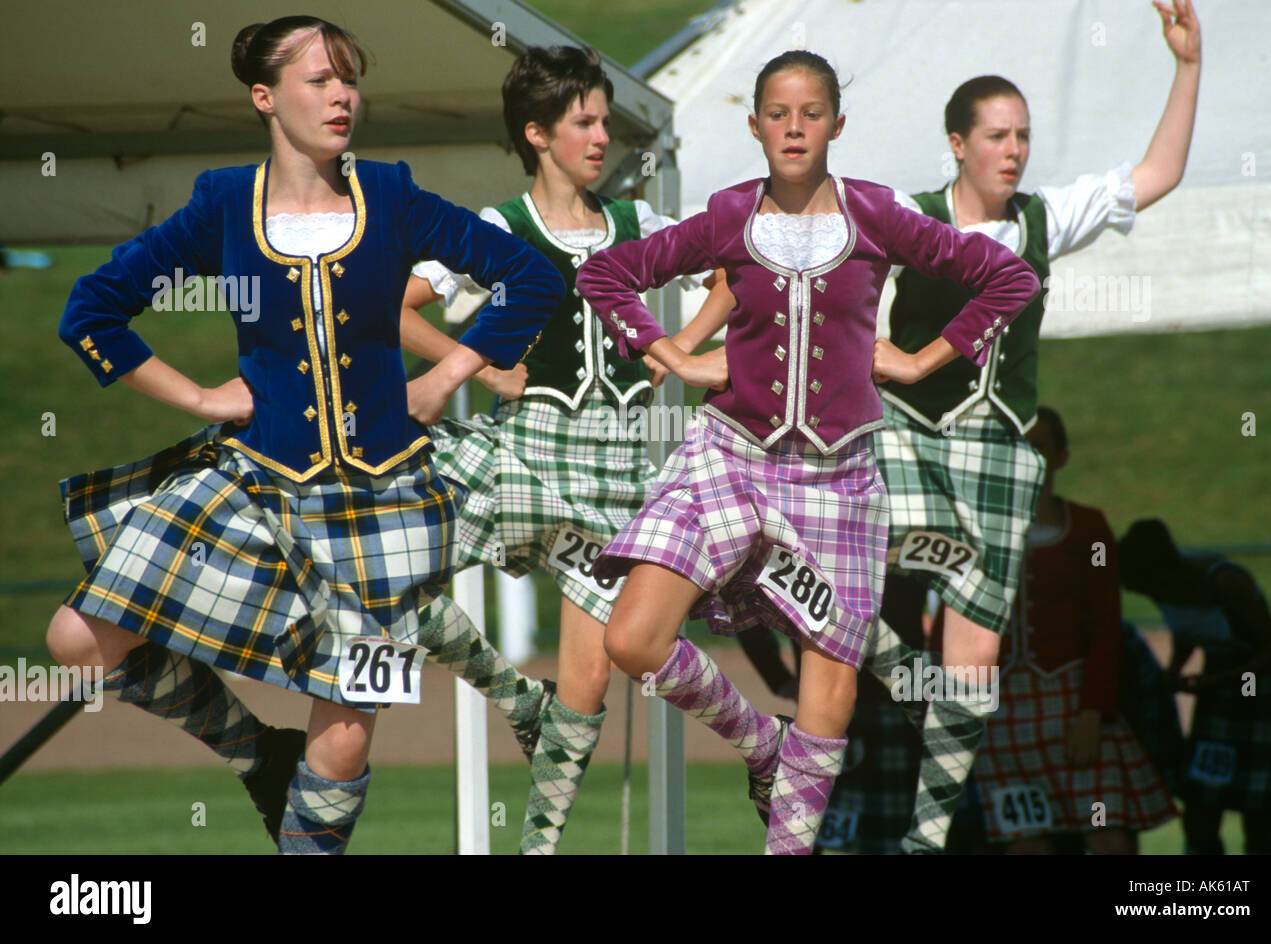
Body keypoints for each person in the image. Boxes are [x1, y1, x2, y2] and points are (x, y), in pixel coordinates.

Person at [47, 16, 562, 854]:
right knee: (77, 639)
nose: (342, 97)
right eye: (320, 80)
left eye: (349, 80)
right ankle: (257, 752)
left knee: (348, 734)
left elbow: (530, 276)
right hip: (256, 481)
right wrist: (198, 398)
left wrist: (444, 374)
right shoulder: (222, 203)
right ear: (265, 97)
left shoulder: (389, 193)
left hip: (385, 500)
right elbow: (93, 309)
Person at [577, 49, 1040, 854]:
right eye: (779, 114)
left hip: (838, 479)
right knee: (631, 639)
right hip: (727, 456)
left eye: (812, 113)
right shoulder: (729, 215)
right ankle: (760, 743)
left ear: (837, 124)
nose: (795, 128)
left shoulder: (878, 214)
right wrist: (672, 354)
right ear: (754, 125)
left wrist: (926, 358)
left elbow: (1008, 279)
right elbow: (609, 274)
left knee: (828, 703)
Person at [874, 0, 1202, 852]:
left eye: (1022, 135)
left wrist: (1188, 67)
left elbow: (1156, 175)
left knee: (971, 670)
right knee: (915, 606)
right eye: (996, 135)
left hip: (996, 451)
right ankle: (867, 597)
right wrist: (888, 363)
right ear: (957, 144)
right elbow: (831, 305)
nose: (1014, 149)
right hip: (910, 438)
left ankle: (928, 832)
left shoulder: (1042, 220)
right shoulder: (902, 221)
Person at [398, 44, 726, 854]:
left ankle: (536, 849)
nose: (602, 137)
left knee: (587, 678)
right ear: (537, 133)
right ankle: (515, 696)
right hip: (523, 451)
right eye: (585, 122)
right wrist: (482, 371)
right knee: (392, 562)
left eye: (605, 122)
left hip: (613, 465)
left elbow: (735, 273)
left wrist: (674, 353)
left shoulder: (636, 224)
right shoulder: (497, 229)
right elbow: (391, 305)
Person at [971, 407, 1177, 853]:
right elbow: (959, 628)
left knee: (1110, 840)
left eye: (1039, 446)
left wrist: (1092, 712)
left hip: (1075, 702)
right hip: (1002, 712)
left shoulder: (1090, 529)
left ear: (1061, 456)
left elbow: (1107, 627)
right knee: (1026, 845)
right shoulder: (976, 530)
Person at [1119, 519, 1271, 854]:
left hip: (1258, 688)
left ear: (1154, 570)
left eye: (1134, 581)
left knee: (1256, 811)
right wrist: (1174, 669)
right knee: (1202, 802)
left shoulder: (1223, 582)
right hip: (1217, 688)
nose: (1131, 589)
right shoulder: (1163, 587)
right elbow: (1189, 629)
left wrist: (1215, 681)